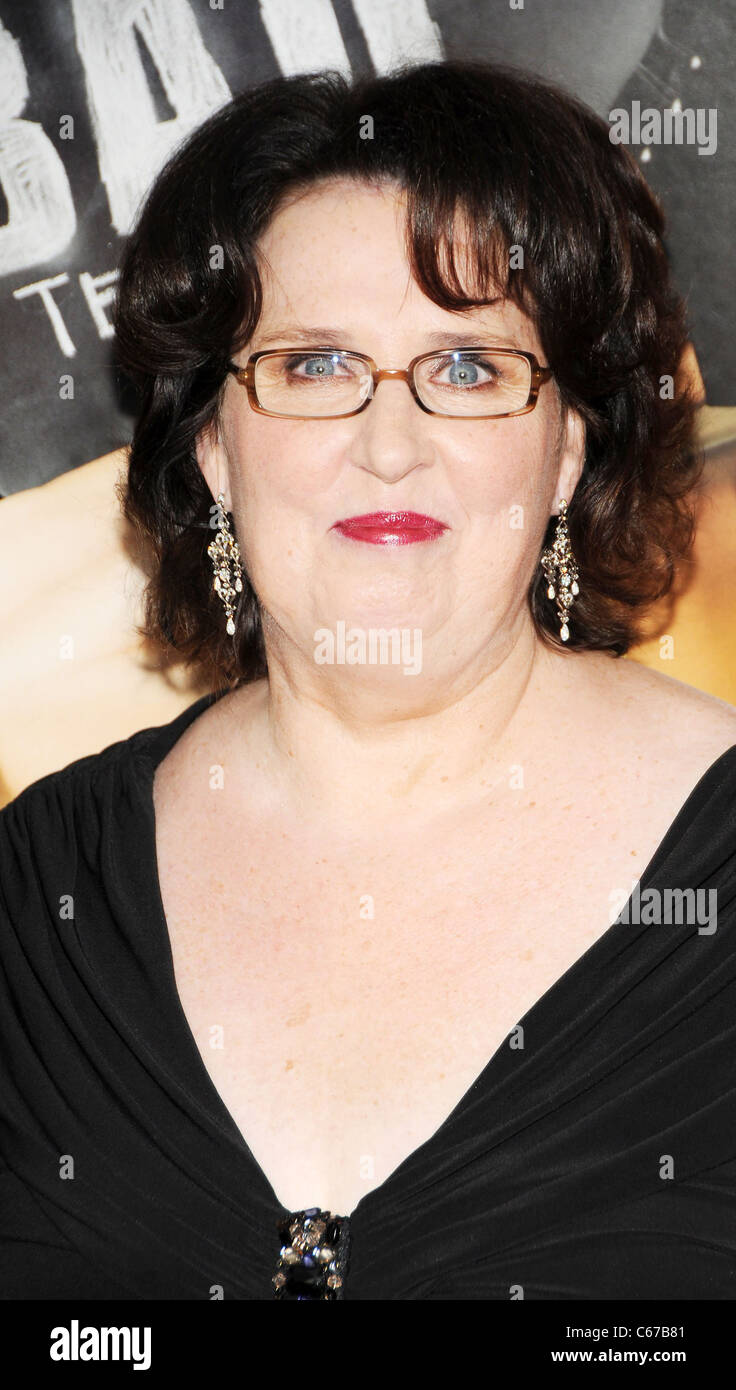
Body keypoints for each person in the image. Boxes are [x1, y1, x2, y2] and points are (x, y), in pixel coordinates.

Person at [1, 59, 735, 1303]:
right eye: (312, 365)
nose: (387, 443)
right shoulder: (37, 899)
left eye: (466, 370)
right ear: (214, 445)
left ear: (565, 451)